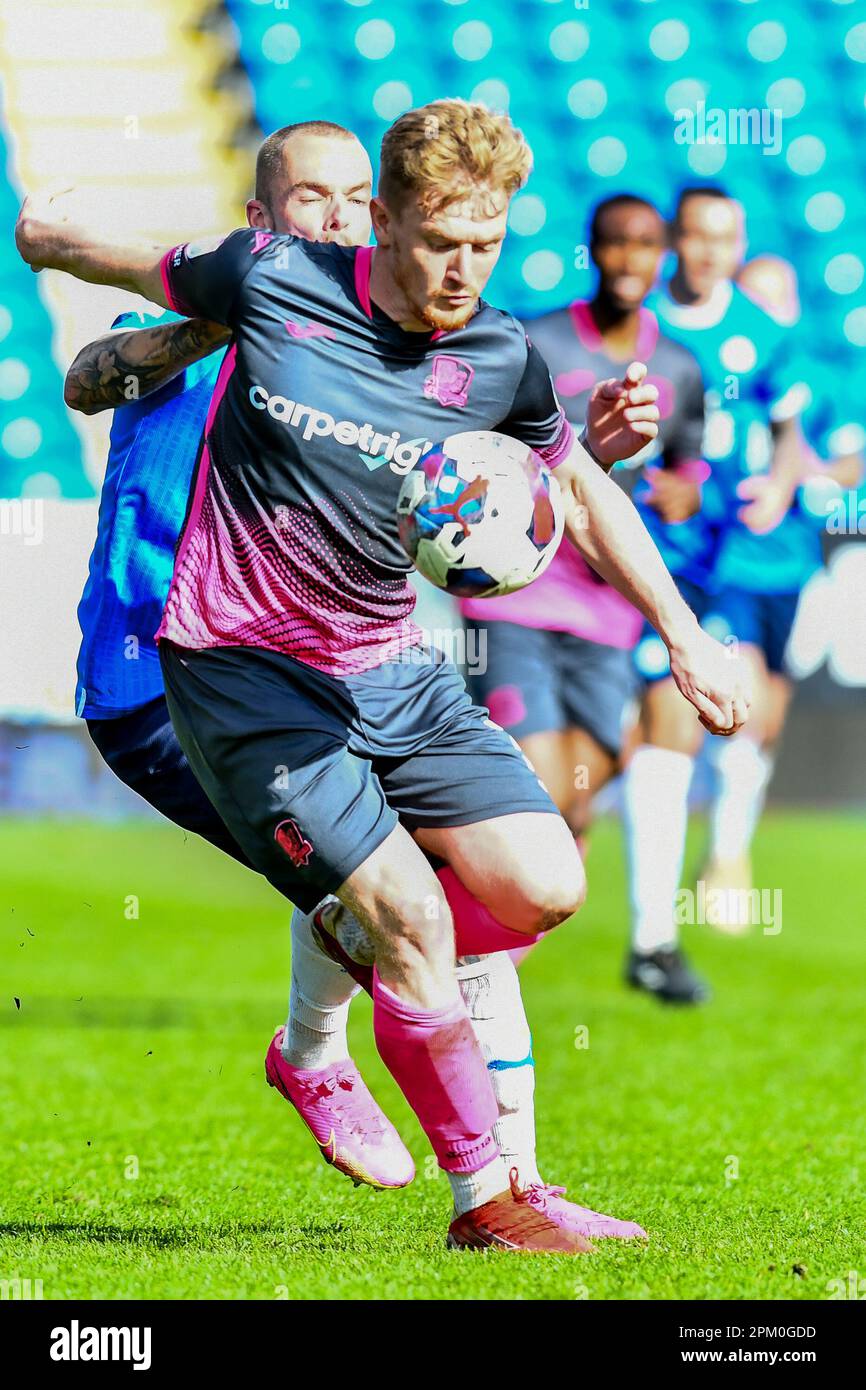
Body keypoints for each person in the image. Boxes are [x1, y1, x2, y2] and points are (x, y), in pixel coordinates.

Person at [17, 99, 749, 1253]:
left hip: (389, 666)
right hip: (234, 670)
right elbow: (89, 330)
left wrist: (683, 630)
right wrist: (46, 238)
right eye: (440, 239)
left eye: (488, 243)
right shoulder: (263, 282)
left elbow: (544, 486)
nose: (464, 267)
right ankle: (490, 1198)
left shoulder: (497, 352)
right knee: (408, 910)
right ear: (382, 227)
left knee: (537, 885)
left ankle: (352, 1012)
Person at [460, 194, 709, 997]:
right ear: (593, 251)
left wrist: (680, 492)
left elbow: (688, 470)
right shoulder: (538, 341)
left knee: (577, 799)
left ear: (661, 255)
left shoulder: (678, 369)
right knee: (534, 785)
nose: (629, 260)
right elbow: (487, 447)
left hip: (606, 615)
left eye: (645, 246)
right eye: (614, 244)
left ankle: (486, 946)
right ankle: (469, 968)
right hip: (517, 603)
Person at [620, 186, 806, 967]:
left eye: (724, 240)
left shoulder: (762, 335)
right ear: (675, 242)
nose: (708, 253)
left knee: (734, 712)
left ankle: (712, 873)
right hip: (643, 554)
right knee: (646, 729)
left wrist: (783, 484)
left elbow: (791, 429)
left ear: (739, 245)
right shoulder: (642, 327)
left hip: (724, 558)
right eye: (696, 238)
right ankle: (649, 924)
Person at [696, 253, 864, 925]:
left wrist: (813, 473)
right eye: (753, 297)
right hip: (729, 562)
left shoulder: (816, 383)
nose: (765, 311)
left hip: (794, 568)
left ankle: (728, 851)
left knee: (766, 721)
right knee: (742, 701)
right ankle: (724, 866)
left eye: (777, 298)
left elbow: (851, 459)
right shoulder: (716, 372)